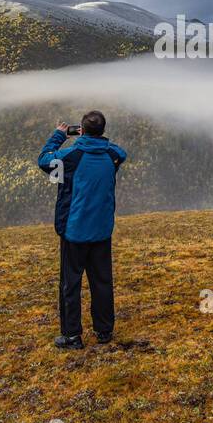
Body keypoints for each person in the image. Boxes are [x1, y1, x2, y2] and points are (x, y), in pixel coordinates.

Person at [37, 110, 127, 349]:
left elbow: (44, 160)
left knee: (70, 283)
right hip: (101, 230)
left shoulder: (71, 157)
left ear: (82, 131)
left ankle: (72, 335)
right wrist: (95, 137)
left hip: (74, 231)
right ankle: (104, 330)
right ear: (103, 131)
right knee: (102, 281)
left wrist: (59, 136)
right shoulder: (112, 155)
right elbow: (120, 151)